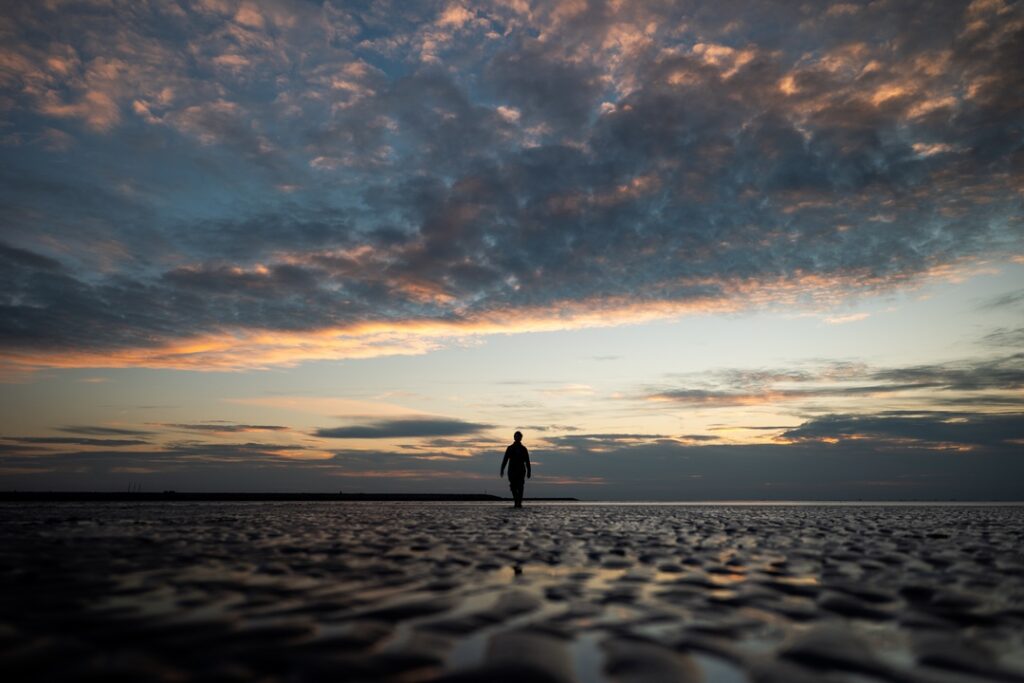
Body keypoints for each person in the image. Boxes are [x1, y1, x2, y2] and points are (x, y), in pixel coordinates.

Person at [500, 430, 531, 508]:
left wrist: (529, 471)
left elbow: (527, 461)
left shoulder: (524, 449)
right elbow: (505, 459)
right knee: (513, 487)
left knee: (520, 486)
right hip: (512, 471)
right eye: (516, 436)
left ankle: (519, 503)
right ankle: (516, 501)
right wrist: (502, 469)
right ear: (514, 437)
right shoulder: (510, 448)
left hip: (521, 471)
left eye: (519, 437)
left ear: (521, 438)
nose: (517, 438)